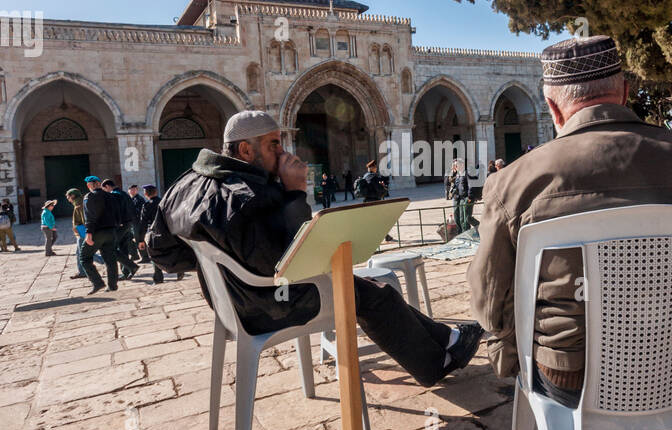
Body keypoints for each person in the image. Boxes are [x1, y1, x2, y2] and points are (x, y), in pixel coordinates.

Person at [469, 34, 672, 430]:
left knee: (568, 354)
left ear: (553, 108)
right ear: (625, 92)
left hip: (568, 377)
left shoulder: (513, 183)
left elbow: (490, 307)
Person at [146, 111, 483, 387]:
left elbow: (162, 253)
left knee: (368, 287)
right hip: (267, 304)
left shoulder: (182, 185)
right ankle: (435, 361)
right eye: (274, 144)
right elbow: (295, 260)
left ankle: (448, 339)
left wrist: (216, 264)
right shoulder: (246, 196)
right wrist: (293, 192)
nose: (282, 153)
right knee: (372, 294)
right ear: (246, 151)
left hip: (230, 304)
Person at [81, 175, 120, 293]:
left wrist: (88, 233)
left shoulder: (89, 196)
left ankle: (98, 283)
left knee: (84, 257)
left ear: (89, 185)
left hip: (97, 232)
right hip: (111, 231)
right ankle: (112, 286)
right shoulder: (110, 196)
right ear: (99, 183)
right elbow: (117, 213)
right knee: (110, 259)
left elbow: (90, 217)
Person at [102, 179, 139, 279]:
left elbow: (116, 211)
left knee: (111, 248)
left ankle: (132, 267)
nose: (106, 191)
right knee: (123, 247)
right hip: (128, 223)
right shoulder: (124, 193)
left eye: (104, 189)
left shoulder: (114, 194)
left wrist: (117, 224)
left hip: (121, 225)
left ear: (107, 186)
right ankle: (125, 272)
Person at [138, 185, 163, 283]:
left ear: (145, 194)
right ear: (156, 192)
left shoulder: (146, 205)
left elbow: (143, 223)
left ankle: (158, 278)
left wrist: (140, 239)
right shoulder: (163, 202)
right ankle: (179, 270)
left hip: (153, 233)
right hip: (166, 231)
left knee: (154, 254)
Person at [65, 189, 87, 278]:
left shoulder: (79, 204)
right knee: (79, 252)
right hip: (81, 231)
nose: (67, 198)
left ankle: (105, 260)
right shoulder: (79, 202)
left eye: (68, 196)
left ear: (73, 196)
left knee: (82, 252)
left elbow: (84, 219)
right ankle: (82, 272)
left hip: (82, 231)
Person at [126, 185, 144, 260]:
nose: (132, 191)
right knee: (129, 239)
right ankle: (135, 255)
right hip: (132, 223)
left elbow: (139, 212)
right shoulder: (131, 199)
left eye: (134, 189)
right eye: (131, 189)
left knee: (139, 239)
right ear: (128, 191)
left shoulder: (139, 199)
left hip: (137, 223)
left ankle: (144, 257)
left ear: (137, 190)